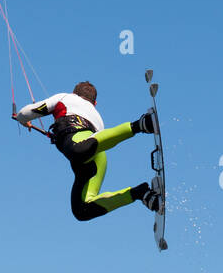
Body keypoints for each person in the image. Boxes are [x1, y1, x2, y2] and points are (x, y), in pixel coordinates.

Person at [13, 81, 163, 223]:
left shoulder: (65, 97)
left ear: (74, 93)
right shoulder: (97, 115)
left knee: (77, 151)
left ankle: (141, 124)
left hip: (81, 147)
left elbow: (24, 113)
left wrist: (22, 120)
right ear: (95, 103)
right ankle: (140, 193)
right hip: (96, 155)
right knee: (81, 210)